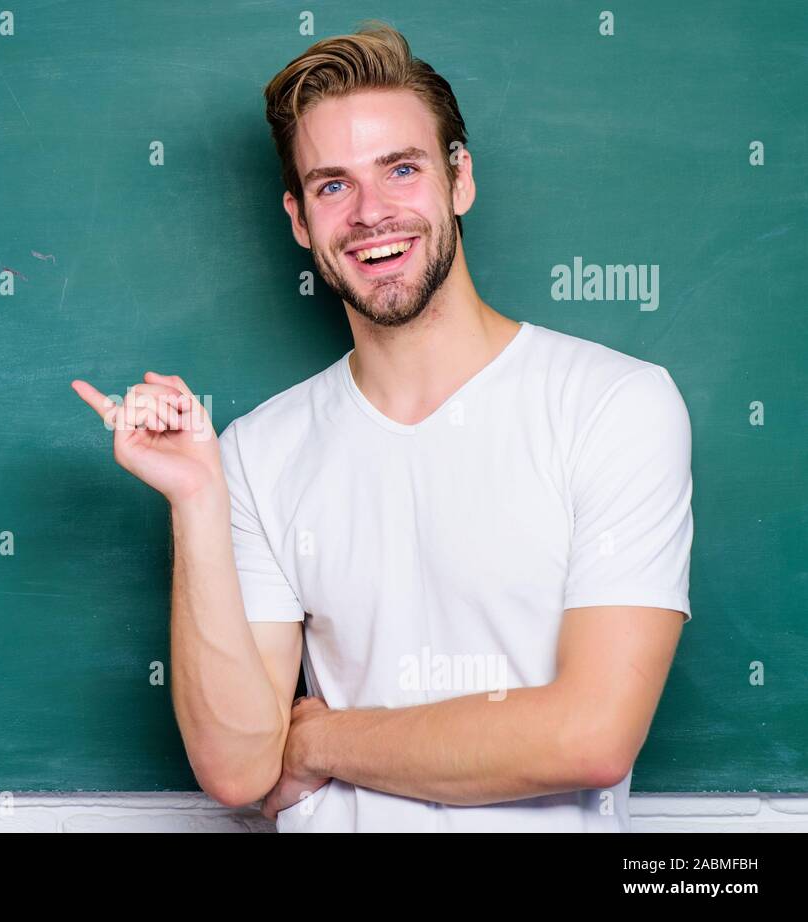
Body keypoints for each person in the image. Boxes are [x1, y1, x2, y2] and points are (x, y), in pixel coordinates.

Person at [71, 20, 693, 832]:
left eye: (401, 169)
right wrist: (196, 500)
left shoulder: (616, 406)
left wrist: (323, 738)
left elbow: (590, 736)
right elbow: (236, 766)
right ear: (299, 220)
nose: (372, 213)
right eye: (333, 186)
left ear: (459, 179)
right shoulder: (255, 454)